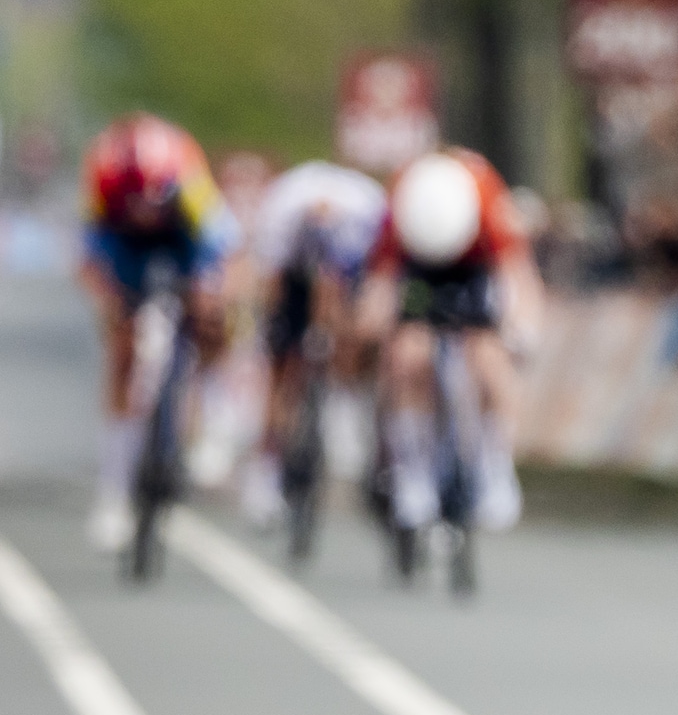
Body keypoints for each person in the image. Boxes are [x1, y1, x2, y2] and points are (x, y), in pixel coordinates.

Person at [358, 148, 542, 535]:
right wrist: (373, 326)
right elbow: (382, 279)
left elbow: (518, 274)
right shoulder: (401, 200)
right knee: (408, 356)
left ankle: (496, 468)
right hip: (419, 268)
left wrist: (523, 328)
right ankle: (413, 471)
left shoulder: (487, 196)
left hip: (474, 269)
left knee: (490, 360)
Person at [77, 115, 239, 551]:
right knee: (124, 350)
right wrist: (111, 299)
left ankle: (215, 417)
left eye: (155, 202)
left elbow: (223, 245)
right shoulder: (104, 175)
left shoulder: (186, 175)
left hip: (183, 241)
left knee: (213, 318)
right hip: (124, 248)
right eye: (140, 203)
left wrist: (210, 294)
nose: (147, 212)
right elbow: (89, 258)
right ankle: (113, 492)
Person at [238, 158, 389, 528]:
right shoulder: (283, 208)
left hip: (352, 276)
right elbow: (270, 281)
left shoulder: (367, 209)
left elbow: (372, 282)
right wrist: (274, 331)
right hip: (292, 278)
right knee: (281, 368)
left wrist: (348, 332)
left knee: (354, 336)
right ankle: (267, 472)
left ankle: (344, 410)